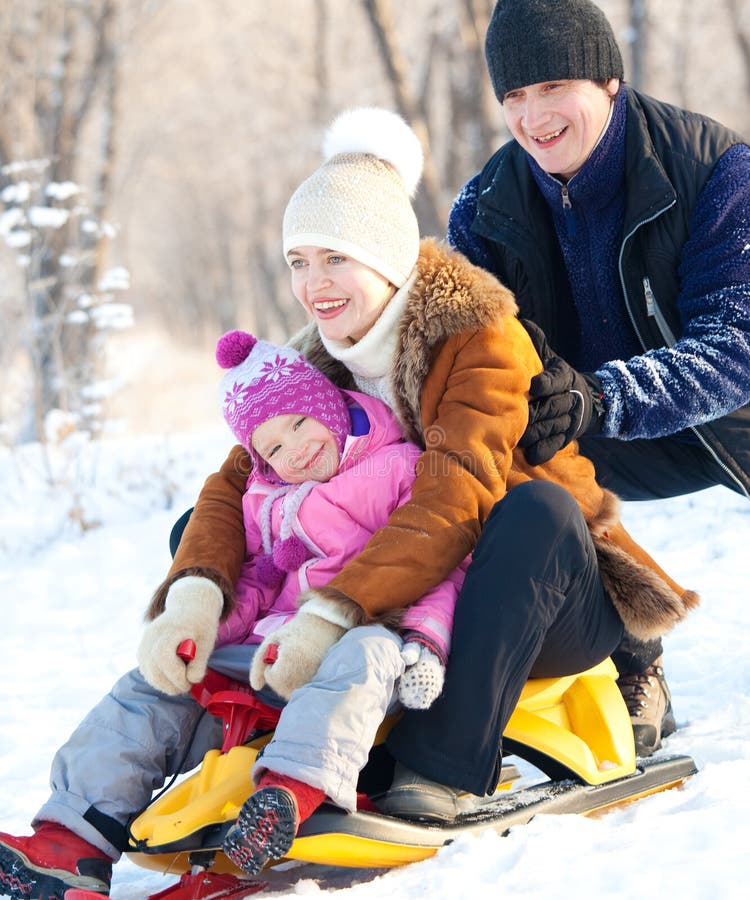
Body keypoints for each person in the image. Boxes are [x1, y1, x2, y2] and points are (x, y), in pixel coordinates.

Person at [137, 105, 697, 828]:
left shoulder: (476, 336)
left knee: (533, 513)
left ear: (386, 257)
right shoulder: (319, 353)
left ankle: (443, 760)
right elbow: (236, 481)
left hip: (537, 596)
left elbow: (454, 499)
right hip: (405, 603)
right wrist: (194, 594)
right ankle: (288, 729)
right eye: (299, 263)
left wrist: (328, 612)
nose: (315, 285)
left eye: (336, 257)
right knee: (210, 530)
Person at [0, 327, 462, 897]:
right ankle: (69, 843)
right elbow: (262, 578)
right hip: (278, 653)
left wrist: (427, 638)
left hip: (367, 641)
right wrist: (206, 632)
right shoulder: (266, 496)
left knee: (365, 652)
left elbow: (439, 560)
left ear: (328, 405)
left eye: (299, 423)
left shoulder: (398, 467)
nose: (294, 449)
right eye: (272, 448)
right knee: (153, 689)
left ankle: (286, 797)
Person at [446, 0, 750, 757]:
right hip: (588, 436)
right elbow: (459, 363)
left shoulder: (715, 168)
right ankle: (630, 661)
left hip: (727, 417)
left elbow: (737, 345)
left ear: (608, 79)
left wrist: (605, 395)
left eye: (552, 86)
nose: (533, 115)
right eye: (514, 96)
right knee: (491, 450)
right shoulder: (485, 211)